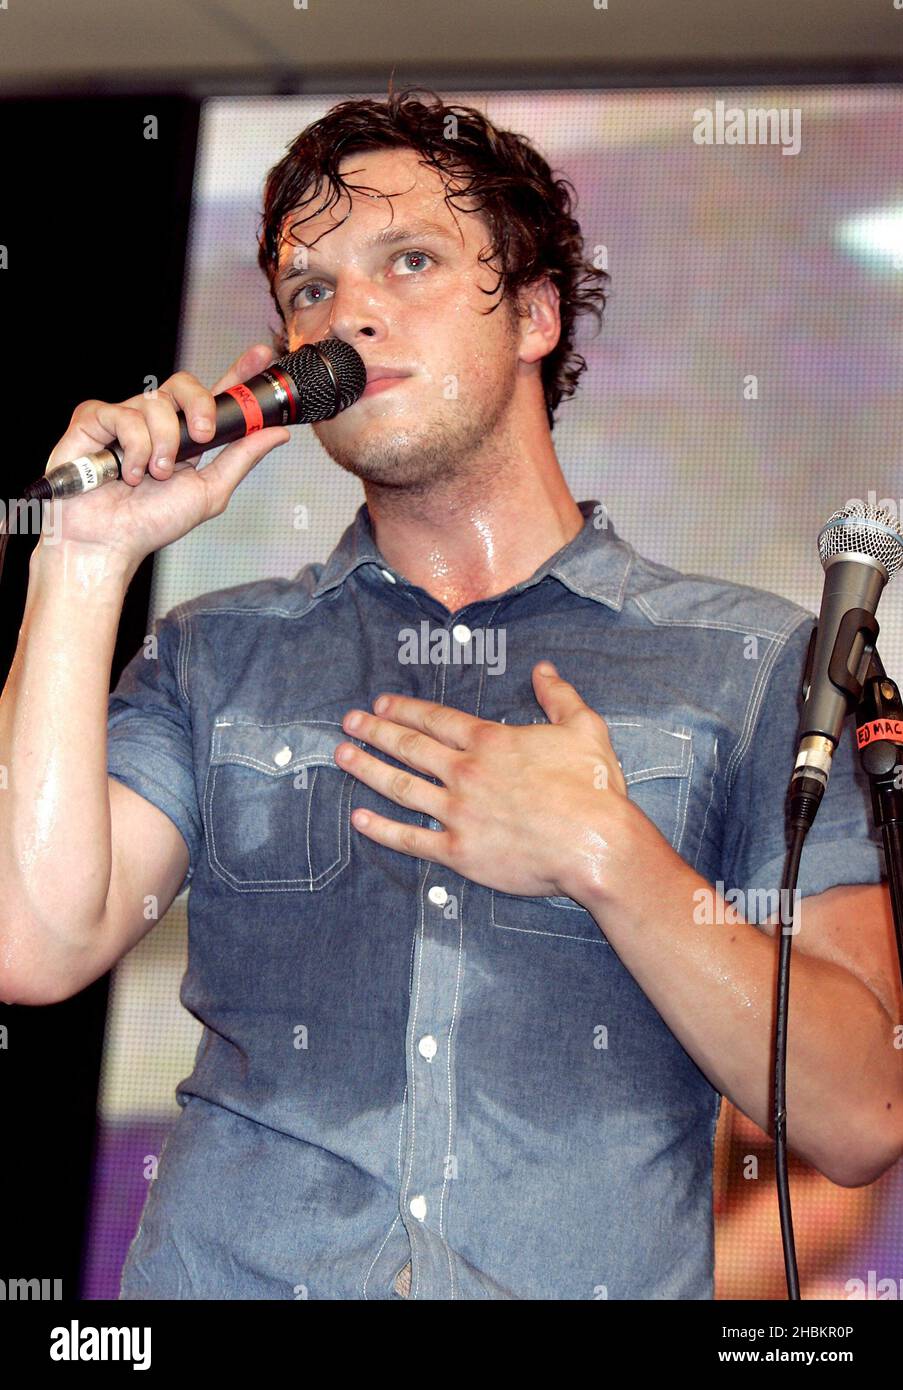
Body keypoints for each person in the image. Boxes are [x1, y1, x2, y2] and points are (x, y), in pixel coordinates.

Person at [1, 87, 900, 1301]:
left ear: (534, 312)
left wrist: (607, 851)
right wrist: (86, 558)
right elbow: (32, 943)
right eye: (309, 290)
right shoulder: (216, 655)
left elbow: (859, 1111)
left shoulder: (751, 664)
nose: (348, 311)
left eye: (409, 261)